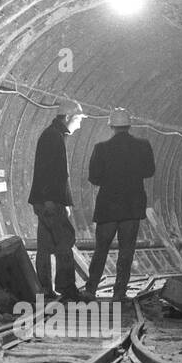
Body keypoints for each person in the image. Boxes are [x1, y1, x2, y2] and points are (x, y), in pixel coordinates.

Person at [84, 108, 155, 301]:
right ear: (129, 124)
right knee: (126, 251)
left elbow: (94, 177)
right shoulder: (143, 145)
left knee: (101, 249)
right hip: (132, 207)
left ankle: (91, 289)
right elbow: (150, 171)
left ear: (111, 125)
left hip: (108, 206)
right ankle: (119, 292)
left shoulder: (101, 148)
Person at [27, 99, 85, 300]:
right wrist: (53, 201)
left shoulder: (52, 135)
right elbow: (50, 173)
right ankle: (67, 289)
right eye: (77, 119)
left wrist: (43, 201)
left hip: (45, 201)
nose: (79, 124)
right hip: (51, 202)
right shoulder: (54, 137)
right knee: (64, 243)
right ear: (67, 117)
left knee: (45, 245)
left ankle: (46, 289)